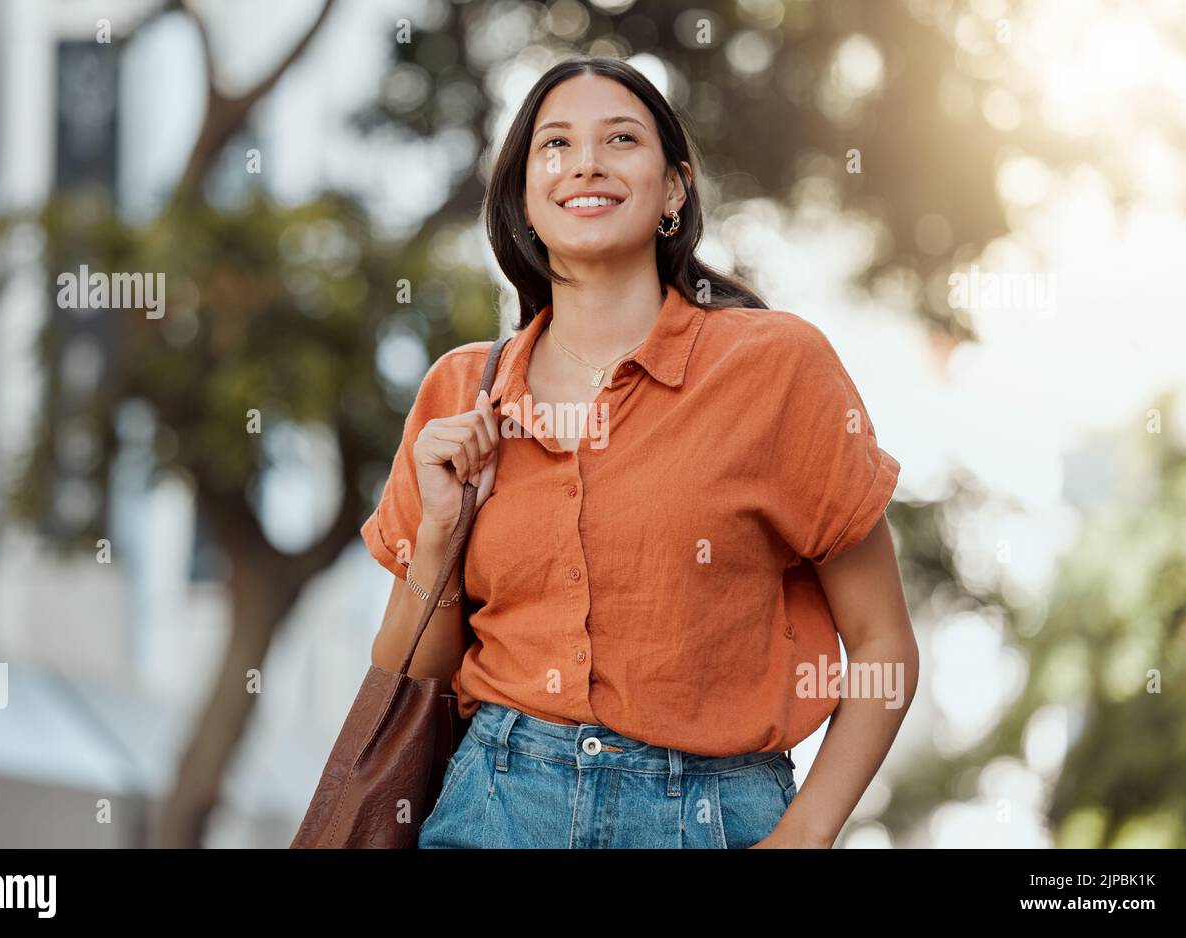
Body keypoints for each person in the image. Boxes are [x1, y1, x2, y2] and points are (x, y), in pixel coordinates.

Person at [365, 55, 917, 849]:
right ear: (524, 195)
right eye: (554, 145)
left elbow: (883, 645)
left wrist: (805, 837)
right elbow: (408, 681)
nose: (584, 161)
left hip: (711, 819)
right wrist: (438, 540)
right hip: (494, 808)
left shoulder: (777, 368)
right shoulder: (459, 394)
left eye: (619, 139)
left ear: (673, 189)